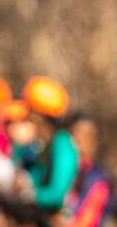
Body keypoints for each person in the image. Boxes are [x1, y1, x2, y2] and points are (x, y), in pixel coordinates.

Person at [13, 76, 79, 212]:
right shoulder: (38, 142)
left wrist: (28, 194)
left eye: (29, 109)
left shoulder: (62, 145)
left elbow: (57, 194)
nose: (25, 114)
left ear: (39, 115)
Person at [63, 112, 113, 227]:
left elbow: (85, 225)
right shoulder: (56, 169)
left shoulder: (98, 179)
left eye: (86, 136)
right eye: (74, 135)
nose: (79, 141)